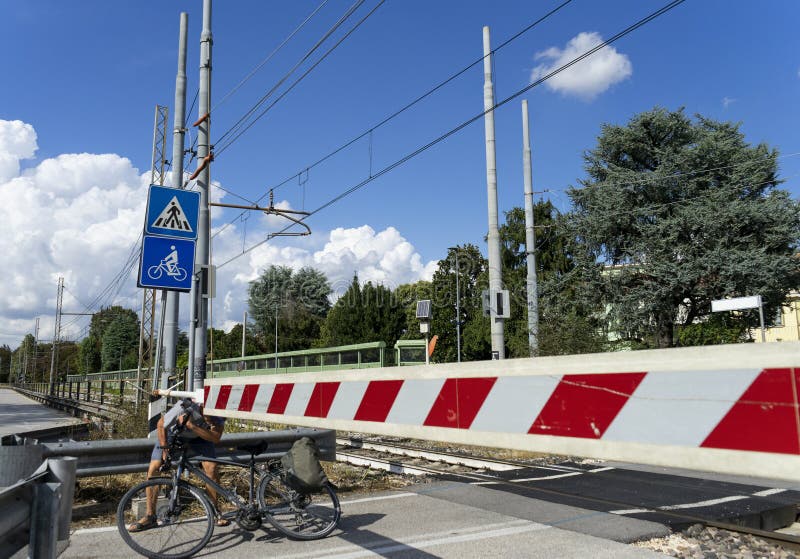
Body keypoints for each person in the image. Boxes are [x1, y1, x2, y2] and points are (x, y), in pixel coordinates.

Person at [127, 399, 229, 531]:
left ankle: (215, 512)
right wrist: (165, 449)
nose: (212, 421)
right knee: (154, 468)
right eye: (209, 417)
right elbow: (161, 424)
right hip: (173, 433)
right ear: (202, 406)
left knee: (212, 467)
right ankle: (150, 516)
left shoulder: (219, 412)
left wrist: (192, 426)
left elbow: (215, 438)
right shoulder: (184, 407)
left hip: (199, 436)